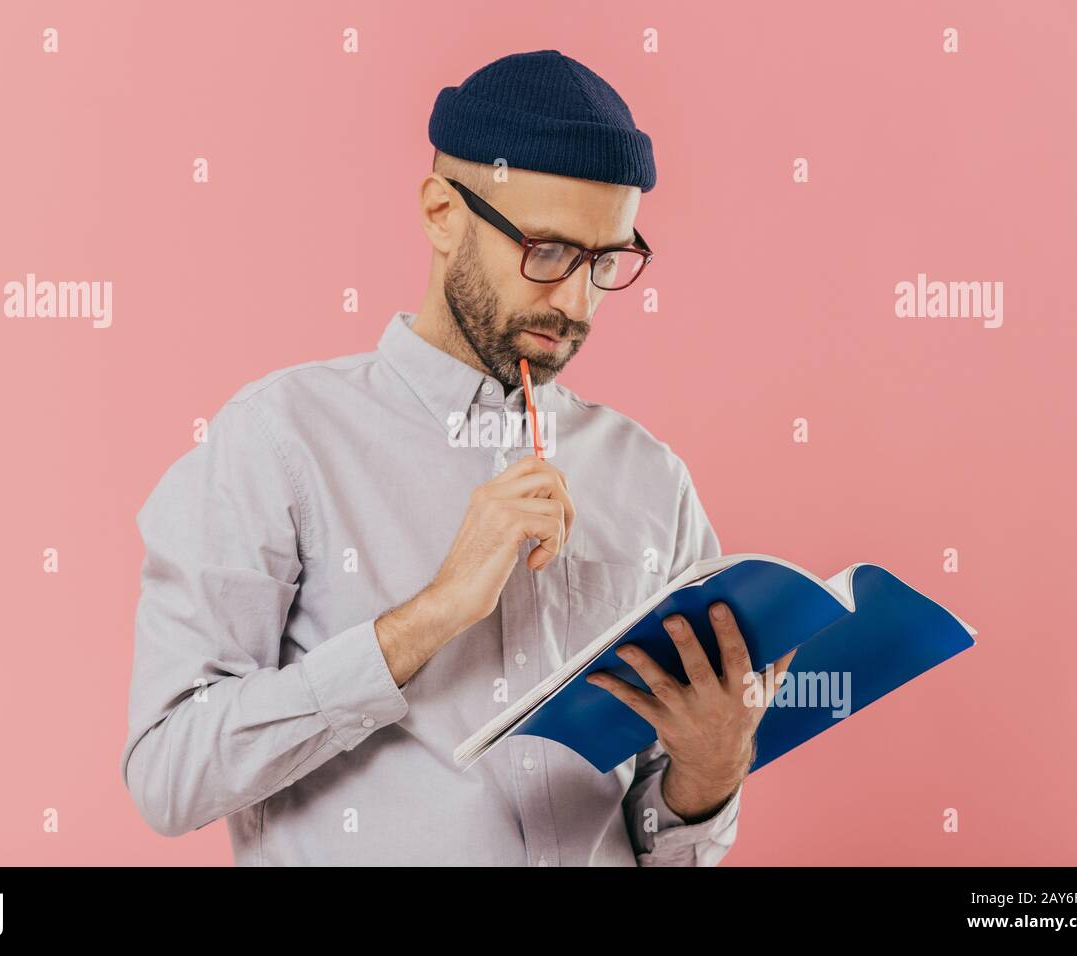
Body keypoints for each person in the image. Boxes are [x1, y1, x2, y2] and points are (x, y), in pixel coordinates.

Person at [121, 48, 792, 866]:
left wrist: (712, 773)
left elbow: (662, 845)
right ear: (443, 213)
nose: (576, 303)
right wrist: (433, 613)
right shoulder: (279, 439)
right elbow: (169, 775)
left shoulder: (650, 478)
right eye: (546, 252)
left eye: (604, 261)